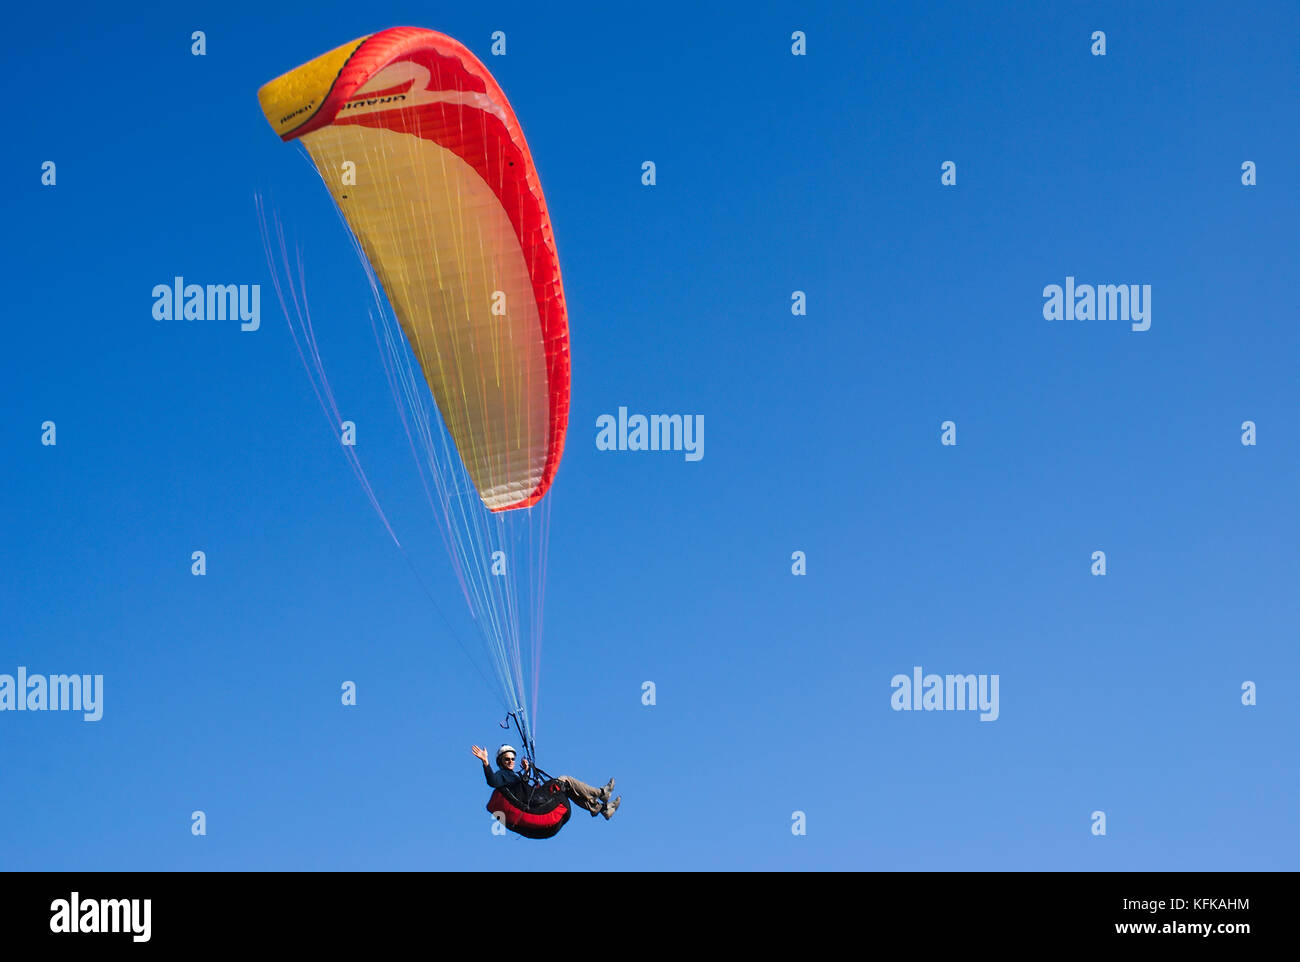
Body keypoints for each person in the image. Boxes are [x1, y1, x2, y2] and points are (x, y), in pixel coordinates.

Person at [472, 744, 621, 819]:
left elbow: (521, 787)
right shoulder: (501, 775)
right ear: (500, 761)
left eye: (512, 759)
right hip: (537, 801)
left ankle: (603, 809)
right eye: (507, 759)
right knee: (565, 779)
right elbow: (492, 781)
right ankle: (601, 792)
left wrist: (526, 771)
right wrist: (485, 762)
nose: (511, 761)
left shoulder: (512, 777)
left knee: (567, 789)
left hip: (536, 798)